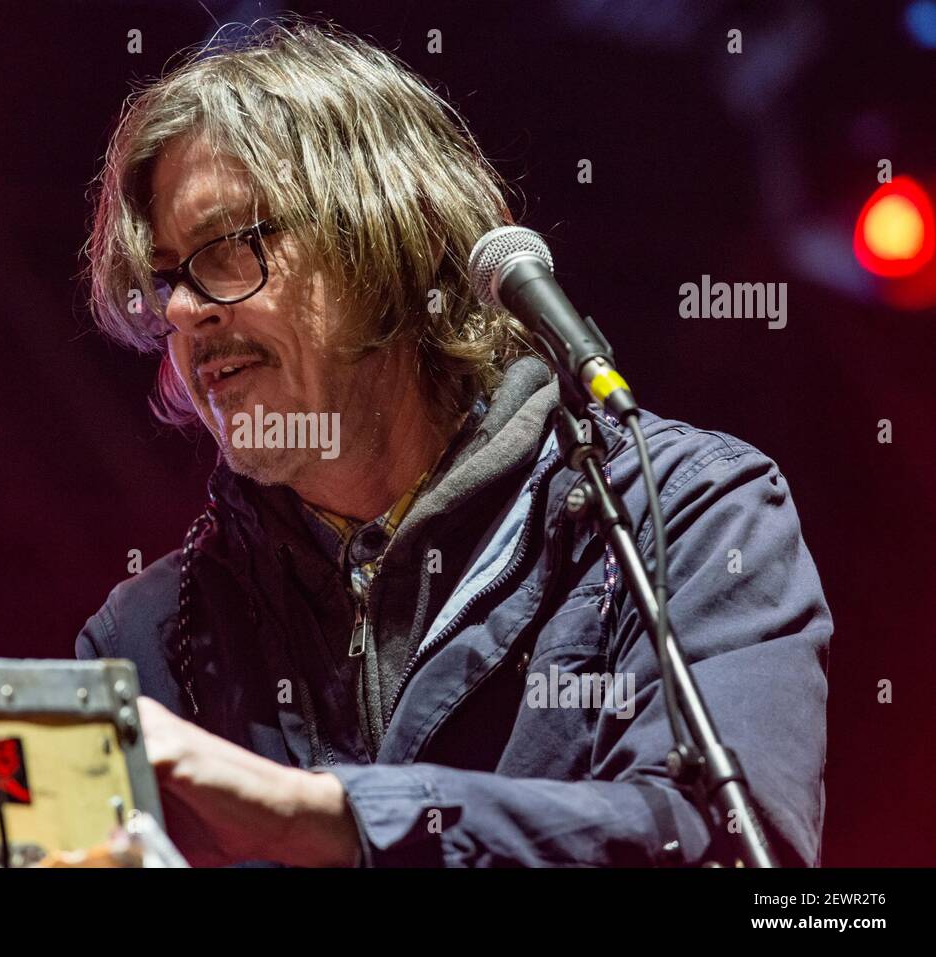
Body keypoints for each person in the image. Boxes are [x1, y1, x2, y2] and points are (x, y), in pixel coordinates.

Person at [76, 20, 831, 867]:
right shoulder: (144, 635)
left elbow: (729, 844)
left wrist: (334, 817)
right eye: (168, 275)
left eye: (229, 248)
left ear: (399, 240)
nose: (184, 310)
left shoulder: (690, 514)